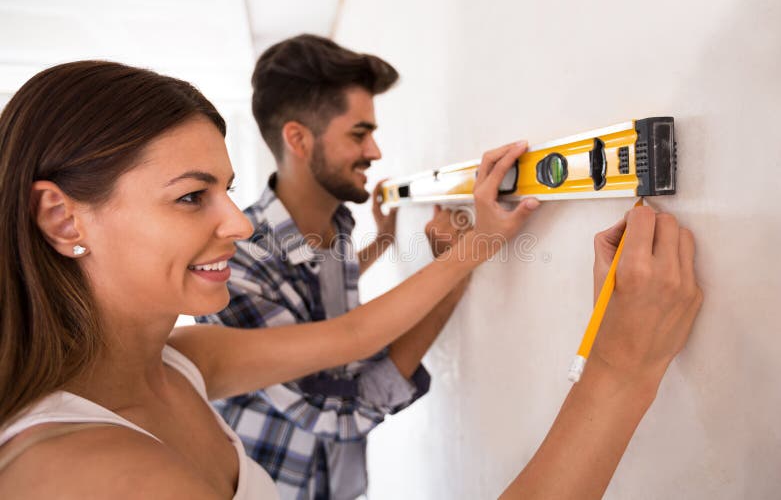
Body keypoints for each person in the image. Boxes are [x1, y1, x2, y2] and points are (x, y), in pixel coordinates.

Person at [0, 60, 702, 500]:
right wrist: (620, 368)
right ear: (62, 219)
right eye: (191, 197)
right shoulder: (83, 476)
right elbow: (342, 399)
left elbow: (352, 334)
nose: (236, 225)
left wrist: (477, 242)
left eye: (226, 190)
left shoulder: (184, 363)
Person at [195, 34, 472, 500]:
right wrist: (454, 275)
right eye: (359, 134)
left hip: (341, 486)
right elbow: (337, 411)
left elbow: (312, 296)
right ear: (299, 139)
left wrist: (383, 241)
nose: (376, 152)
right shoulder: (235, 264)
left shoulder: (336, 222)